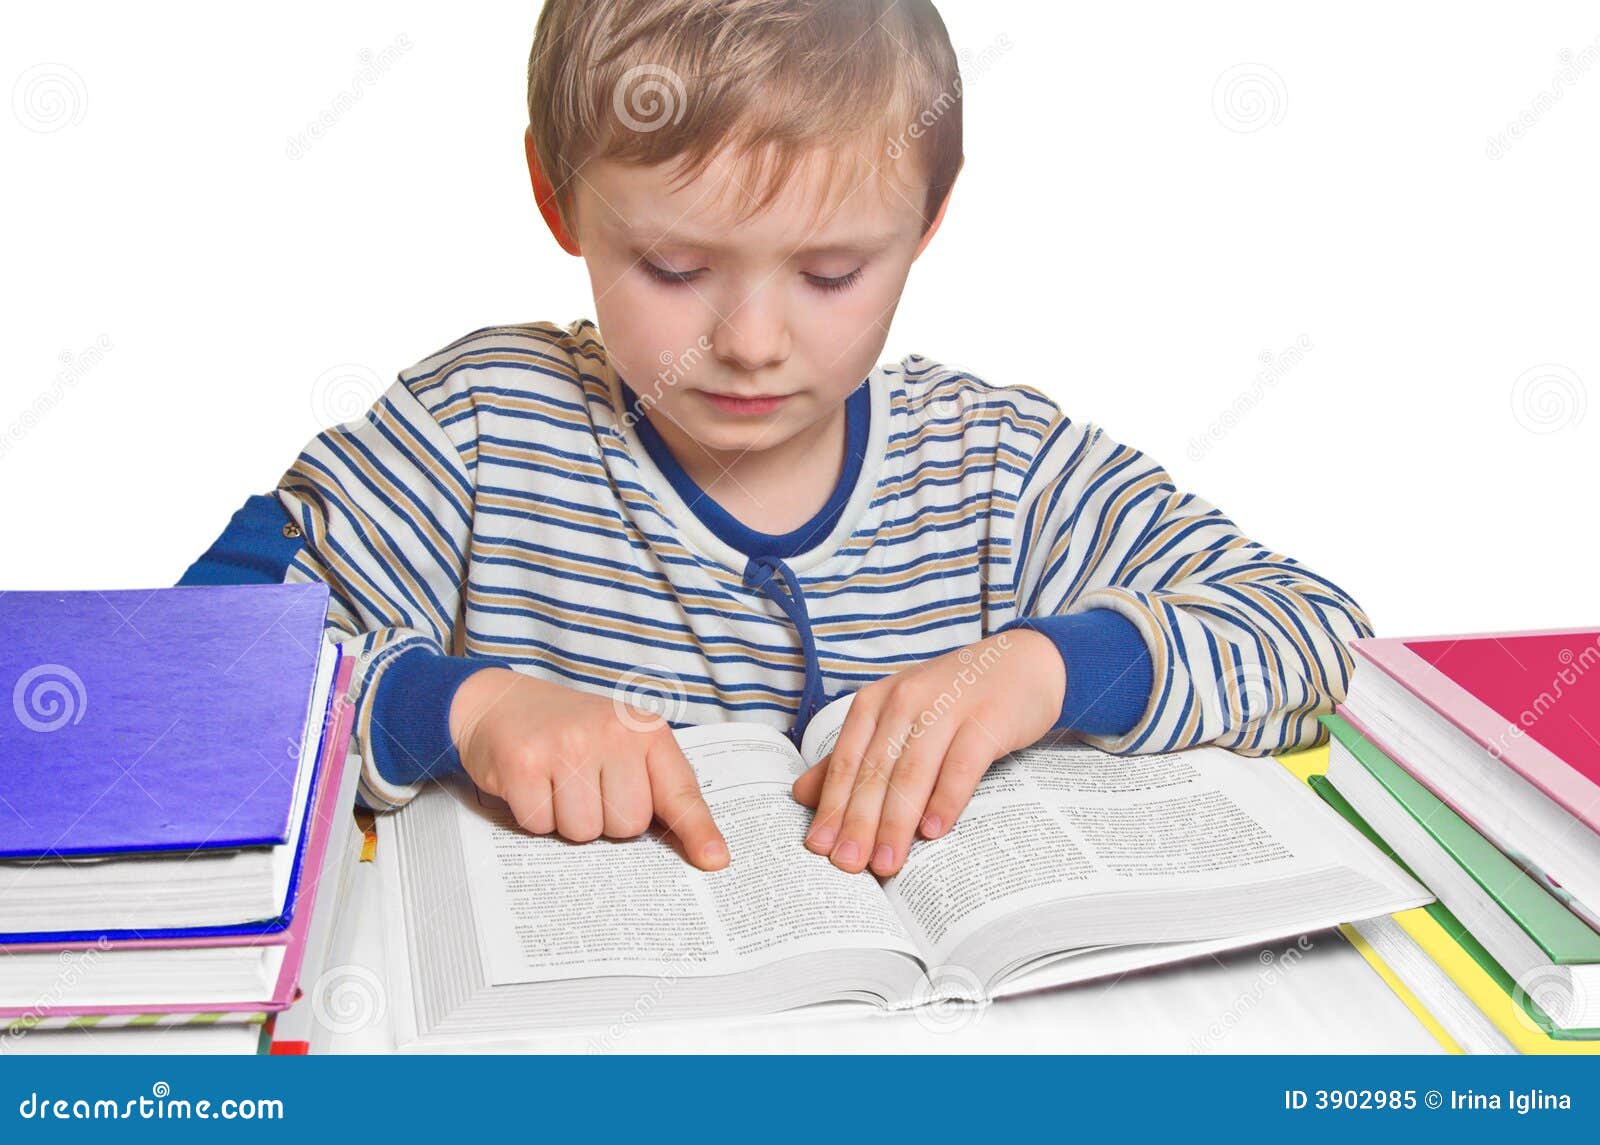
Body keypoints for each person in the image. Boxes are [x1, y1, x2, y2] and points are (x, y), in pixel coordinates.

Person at [182, 0, 1372, 880]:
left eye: (831, 271)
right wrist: (466, 706)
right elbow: (191, 669)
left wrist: (1048, 669)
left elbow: (1317, 633)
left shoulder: (999, 467)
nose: (751, 341)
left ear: (927, 221)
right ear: (558, 199)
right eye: (676, 266)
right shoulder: (480, 432)